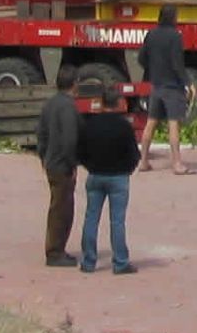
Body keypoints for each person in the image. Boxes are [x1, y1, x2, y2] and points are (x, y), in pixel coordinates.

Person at [77, 81, 142, 275]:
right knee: (117, 221)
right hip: (118, 177)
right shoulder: (124, 127)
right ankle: (120, 262)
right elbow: (134, 154)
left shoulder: (90, 124)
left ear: (101, 102)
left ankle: (88, 261)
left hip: (95, 175)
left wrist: (91, 166)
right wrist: (128, 169)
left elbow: (80, 152)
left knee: (91, 218)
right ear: (119, 103)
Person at [138, 4, 192, 174]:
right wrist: (187, 82)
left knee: (151, 122)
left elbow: (141, 58)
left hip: (156, 85)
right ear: (173, 17)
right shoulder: (175, 36)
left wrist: (152, 69)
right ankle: (177, 163)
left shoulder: (151, 34)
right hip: (172, 87)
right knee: (173, 124)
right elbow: (177, 63)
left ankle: (143, 161)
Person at [36, 63, 81, 267]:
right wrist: (72, 164)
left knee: (57, 205)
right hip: (63, 165)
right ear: (74, 84)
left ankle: (56, 249)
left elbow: (41, 134)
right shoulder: (69, 107)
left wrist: (43, 157)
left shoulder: (50, 104)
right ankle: (55, 252)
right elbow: (70, 139)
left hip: (51, 162)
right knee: (62, 209)